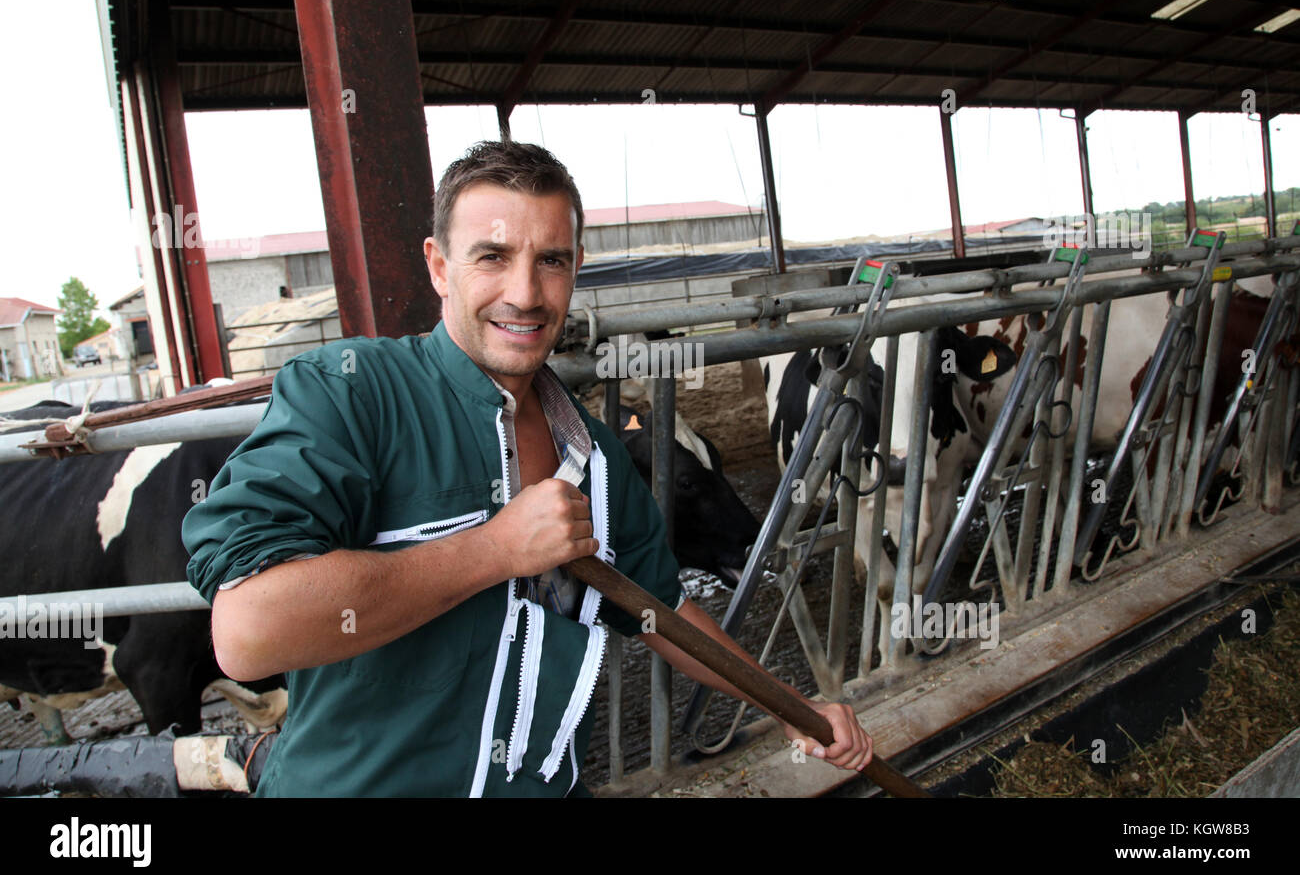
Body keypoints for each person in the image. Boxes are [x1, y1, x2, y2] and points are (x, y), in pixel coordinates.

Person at [183, 140, 871, 796]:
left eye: (551, 260)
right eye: (491, 256)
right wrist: (496, 550)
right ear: (438, 266)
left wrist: (789, 707)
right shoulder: (352, 395)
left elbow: (663, 612)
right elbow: (247, 631)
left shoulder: (596, 454)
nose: (527, 294)